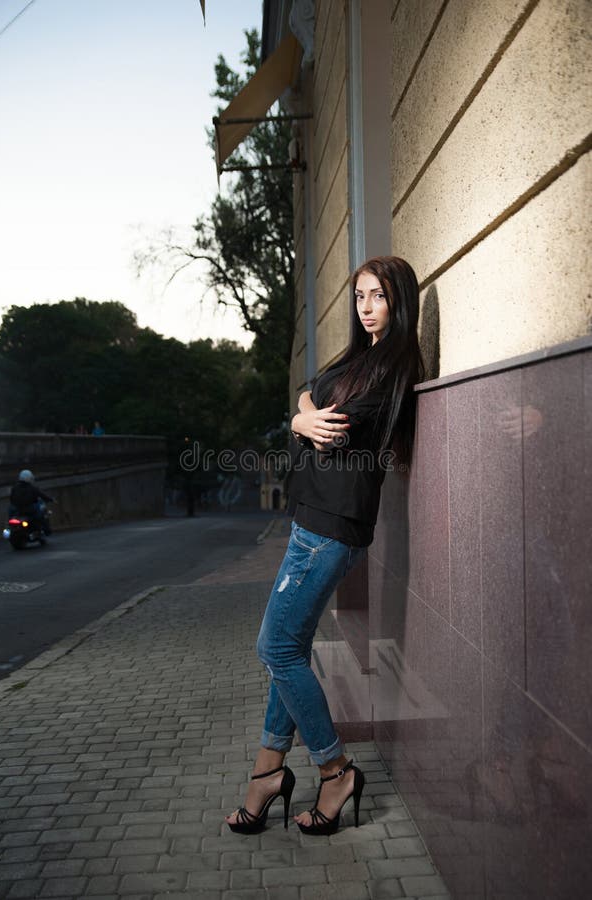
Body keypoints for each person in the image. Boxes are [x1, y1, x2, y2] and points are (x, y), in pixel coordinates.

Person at [226, 256, 425, 836]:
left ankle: (335, 771)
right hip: (314, 521)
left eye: (378, 296)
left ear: (400, 301)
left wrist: (308, 419)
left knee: (275, 648)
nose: (366, 307)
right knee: (288, 648)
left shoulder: (394, 367)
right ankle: (267, 774)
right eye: (360, 296)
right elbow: (308, 398)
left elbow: (330, 428)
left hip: (331, 528)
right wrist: (301, 418)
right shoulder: (359, 358)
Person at [9, 470, 54, 534]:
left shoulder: (14, 488)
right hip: (29, 509)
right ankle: (46, 529)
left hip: (18, 510)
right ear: (28, 478)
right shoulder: (32, 488)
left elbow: (11, 499)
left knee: (11, 512)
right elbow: (41, 494)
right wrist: (51, 499)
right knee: (41, 511)